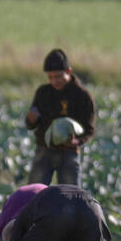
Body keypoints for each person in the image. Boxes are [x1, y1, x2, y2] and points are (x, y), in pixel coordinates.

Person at [25, 49, 96, 185]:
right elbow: (30, 125)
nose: (54, 81)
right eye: (50, 77)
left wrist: (77, 141)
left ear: (68, 71)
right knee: (34, 195)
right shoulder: (43, 93)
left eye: (58, 77)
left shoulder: (82, 96)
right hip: (44, 151)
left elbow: (89, 130)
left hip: (69, 154)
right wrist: (31, 119)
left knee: (70, 198)